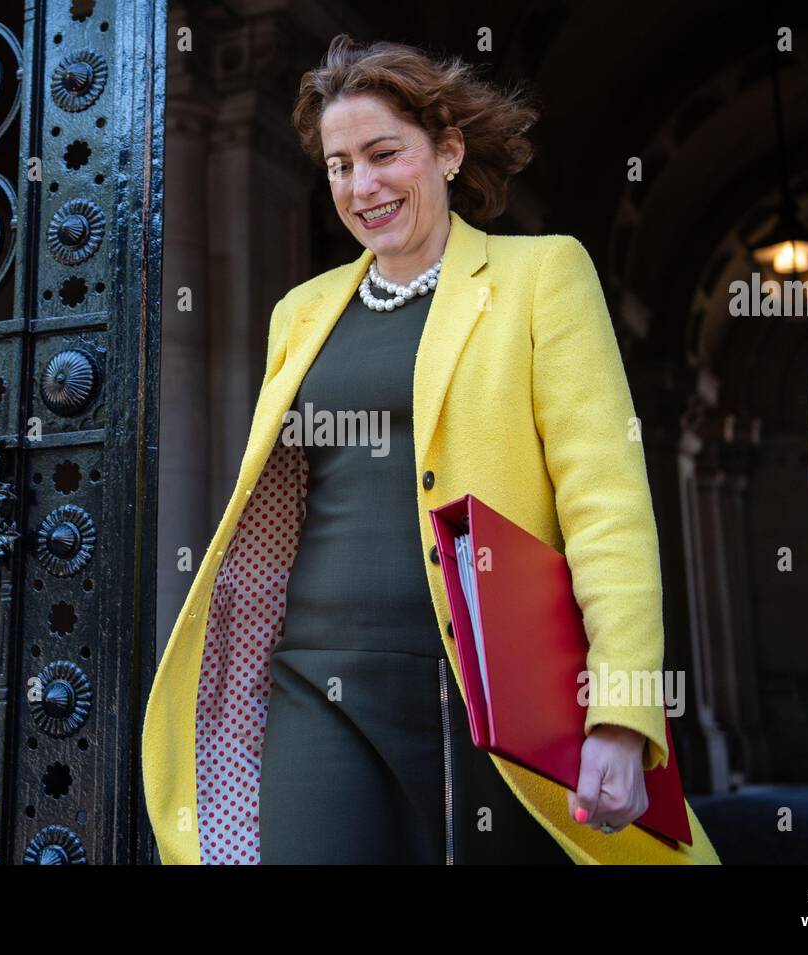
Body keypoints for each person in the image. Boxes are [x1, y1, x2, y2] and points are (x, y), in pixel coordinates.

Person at [141, 33, 720, 865]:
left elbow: (607, 502)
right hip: (314, 673)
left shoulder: (542, 275)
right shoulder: (299, 311)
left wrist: (623, 713)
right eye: (340, 165)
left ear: (448, 151)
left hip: (488, 684)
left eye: (383, 154)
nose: (361, 185)